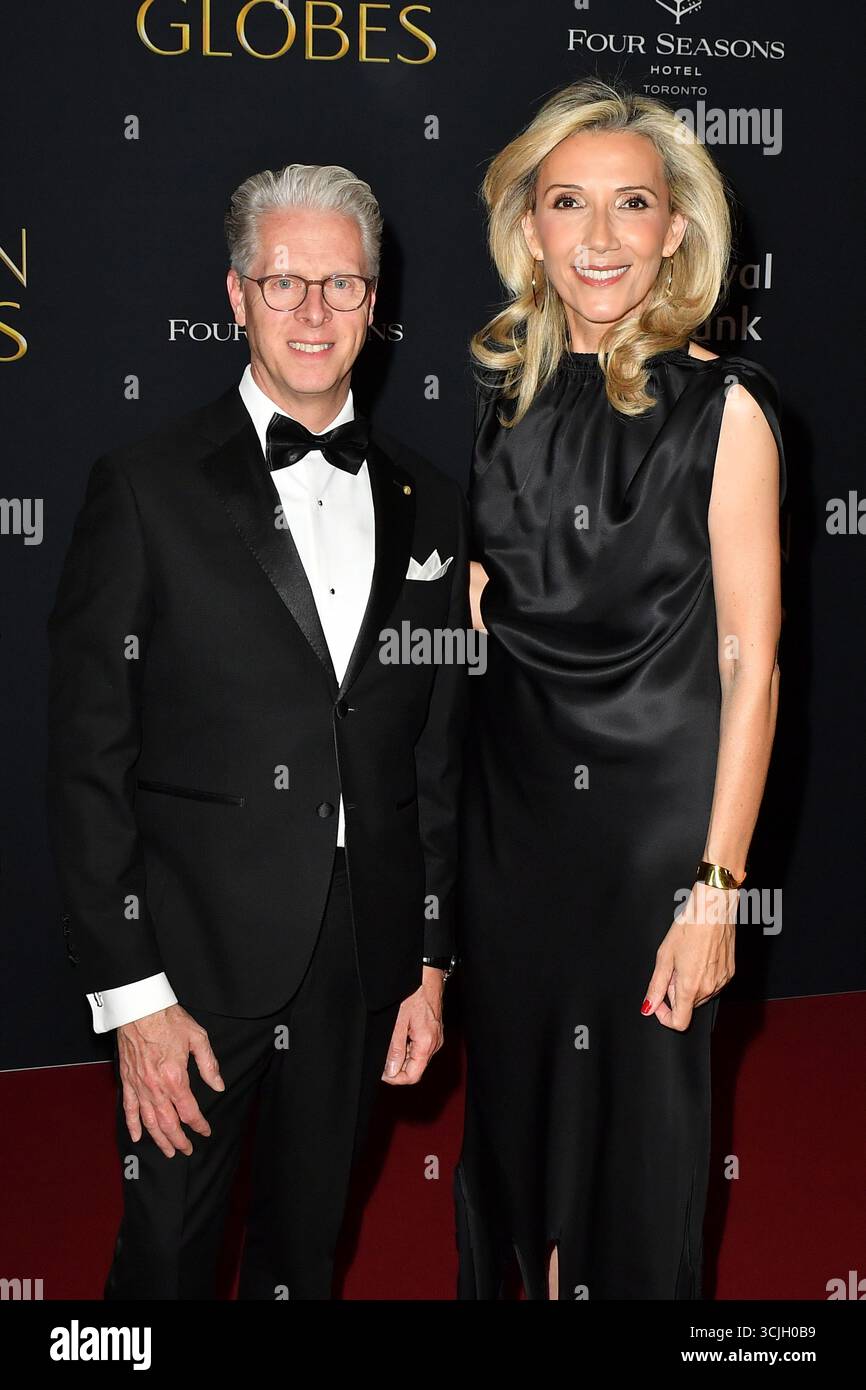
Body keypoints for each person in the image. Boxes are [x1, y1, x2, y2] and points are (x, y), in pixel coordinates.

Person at [46, 162, 469, 1299]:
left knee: (307, 1248)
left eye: (341, 282)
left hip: (357, 954)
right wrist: (133, 996)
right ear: (234, 294)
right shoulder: (142, 487)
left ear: (376, 301)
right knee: (167, 1259)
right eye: (285, 283)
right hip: (190, 963)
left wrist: (429, 960)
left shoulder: (431, 496)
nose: (314, 312)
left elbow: (433, 758)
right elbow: (88, 759)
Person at [454, 79, 787, 1300]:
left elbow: (750, 663)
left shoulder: (728, 412)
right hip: (510, 834)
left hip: (652, 838)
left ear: (676, 232)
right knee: (518, 1137)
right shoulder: (502, 399)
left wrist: (714, 893)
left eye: (630, 204)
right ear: (529, 229)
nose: (598, 236)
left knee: (633, 1154)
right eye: (567, 203)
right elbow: (489, 609)